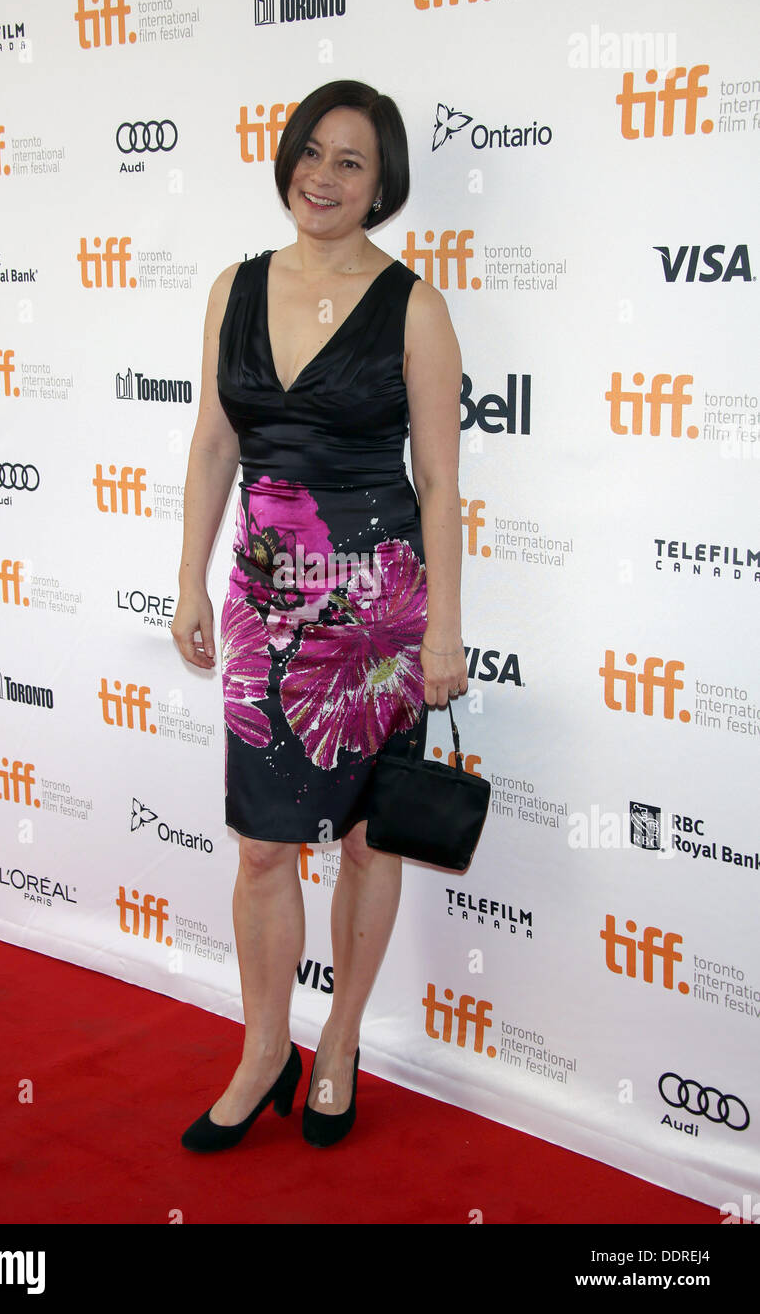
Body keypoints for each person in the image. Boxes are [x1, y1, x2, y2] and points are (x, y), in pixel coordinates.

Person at [172, 79, 467, 1151]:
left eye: (350, 160)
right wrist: (187, 578)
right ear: (285, 159)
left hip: (378, 615)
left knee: (362, 844)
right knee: (261, 850)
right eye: (310, 151)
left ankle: (338, 1039)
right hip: (261, 603)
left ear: (380, 182)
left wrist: (443, 628)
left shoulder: (415, 305)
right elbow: (214, 442)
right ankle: (264, 1048)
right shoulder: (234, 288)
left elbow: (436, 481)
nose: (322, 175)